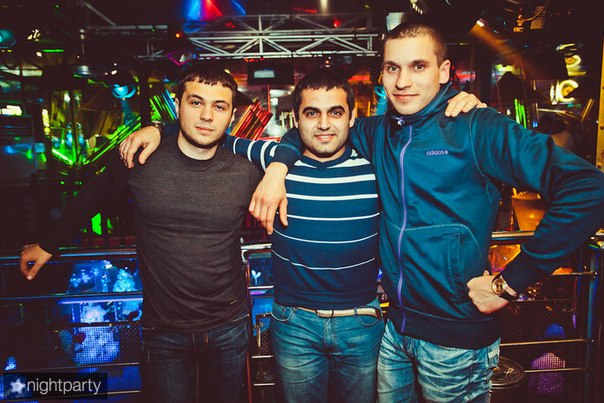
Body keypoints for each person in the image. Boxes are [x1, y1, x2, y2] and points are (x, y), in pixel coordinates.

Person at [250, 21, 604, 402]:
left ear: (444, 71)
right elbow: (317, 126)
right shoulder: (377, 133)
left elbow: (590, 189)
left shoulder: (477, 126)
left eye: (418, 66)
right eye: (392, 68)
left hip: (454, 342)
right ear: (382, 74)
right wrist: (278, 167)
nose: (403, 81)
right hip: (395, 336)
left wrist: (511, 281)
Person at [119, 69, 484, 402]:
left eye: (335, 112)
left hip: (361, 321)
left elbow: (420, 135)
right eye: (312, 113)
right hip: (293, 324)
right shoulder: (270, 157)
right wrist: (160, 128)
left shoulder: (376, 164)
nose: (324, 124)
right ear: (297, 119)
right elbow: (211, 135)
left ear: (352, 118)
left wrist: (461, 108)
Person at [19, 65, 263, 403]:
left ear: (231, 115)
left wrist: (277, 173)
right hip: (163, 331)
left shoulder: (245, 171)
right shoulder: (142, 159)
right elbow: (93, 195)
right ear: (178, 105)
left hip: (228, 326)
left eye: (218, 106)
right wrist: (48, 244)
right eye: (196, 102)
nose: (207, 115)